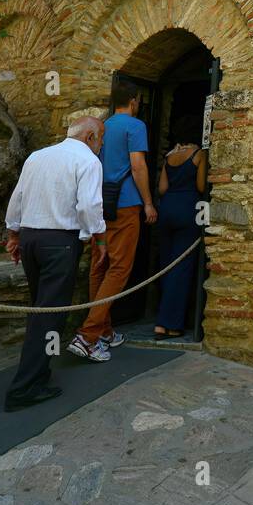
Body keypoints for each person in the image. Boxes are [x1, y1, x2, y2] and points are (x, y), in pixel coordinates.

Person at [3, 115, 106, 411]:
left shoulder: (38, 156)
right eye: (100, 140)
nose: (100, 146)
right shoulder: (88, 161)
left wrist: (14, 234)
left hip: (32, 238)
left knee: (40, 308)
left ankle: (38, 374)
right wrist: (98, 239)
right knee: (50, 315)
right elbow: (89, 205)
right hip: (59, 242)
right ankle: (23, 388)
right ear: (90, 137)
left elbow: (18, 196)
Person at [71, 83, 156, 362]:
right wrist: (148, 202)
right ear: (134, 100)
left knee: (99, 266)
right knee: (119, 268)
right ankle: (88, 334)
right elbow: (137, 165)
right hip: (126, 203)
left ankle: (104, 331)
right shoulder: (135, 125)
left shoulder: (101, 127)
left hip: (99, 205)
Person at [154, 113, 209, 339]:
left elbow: (162, 189)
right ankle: (171, 324)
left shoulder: (169, 156)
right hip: (188, 210)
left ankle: (160, 322)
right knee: (182, 267)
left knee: (166, 265)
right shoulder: (198, 154)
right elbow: (200, 185)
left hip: (166, 209)